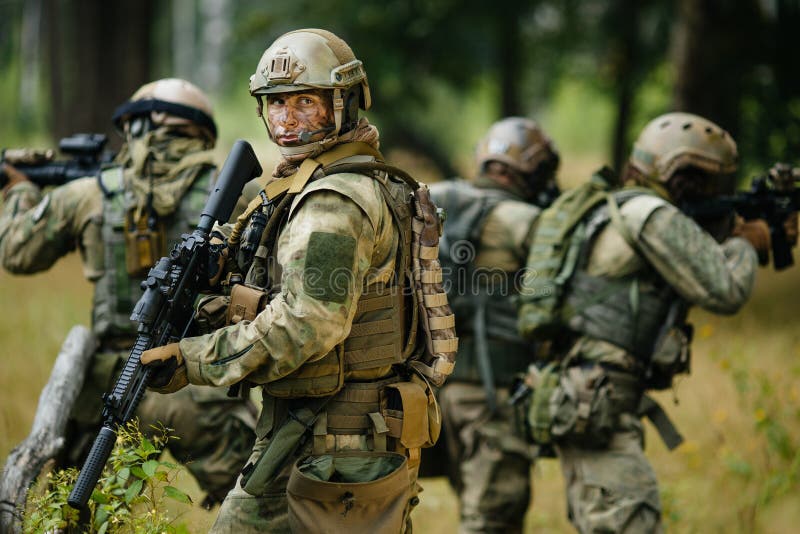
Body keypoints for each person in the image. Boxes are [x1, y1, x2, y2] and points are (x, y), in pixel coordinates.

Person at [139, 29, 456, 533]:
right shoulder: (333, 180)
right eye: (276, 103)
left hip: (338, 439)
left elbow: (309, 323)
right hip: (328, 429)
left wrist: (192, 360)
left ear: (343, 103)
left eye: (305, 102)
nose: (286, 120)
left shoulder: (334, 201)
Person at [0, 78, 257, 507]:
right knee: (256, 506)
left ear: (136, 126)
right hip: (199, 381)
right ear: (202, 132)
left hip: (111, 385)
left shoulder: (89, 193)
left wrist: (19, 190)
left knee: (78, 512)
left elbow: (16, 252)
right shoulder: (240, 194)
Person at [517, 111, 770, 533]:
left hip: (586, 397)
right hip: (597, 401)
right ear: (681, 174)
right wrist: (747, 244)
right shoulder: (650, 214)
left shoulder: (614, 208)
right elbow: (725, 289)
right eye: (706, 180)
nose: (710, 192)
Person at [425, 117, 560, 533]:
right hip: (496, 391)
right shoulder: (529, 221)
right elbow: (551, 301)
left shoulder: (434, 198)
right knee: (492, 519)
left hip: (429, 388)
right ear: (534, 170)